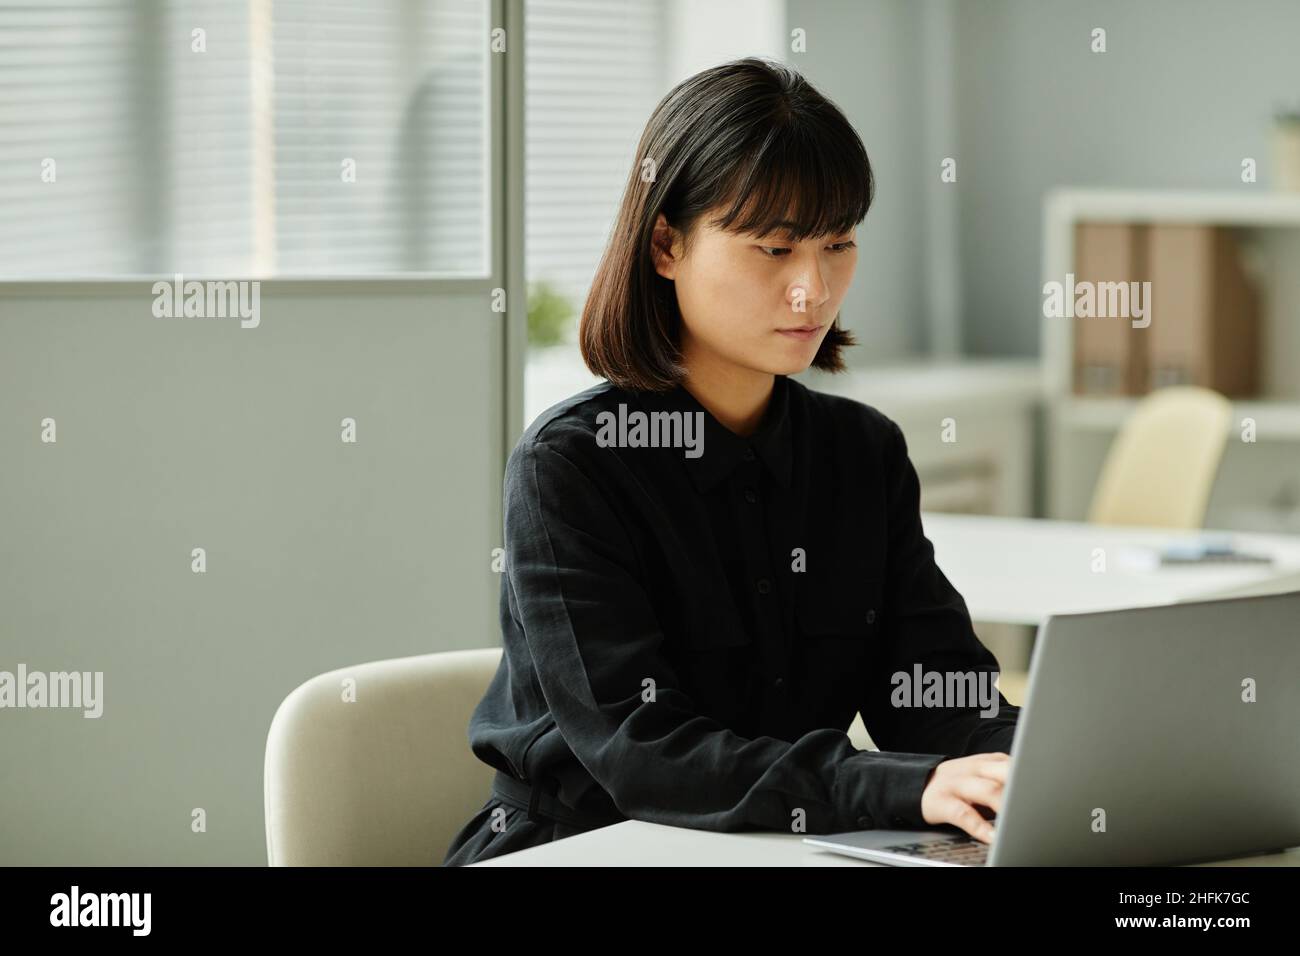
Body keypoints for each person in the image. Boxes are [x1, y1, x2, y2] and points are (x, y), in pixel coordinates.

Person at [442, 56, 1018, 867]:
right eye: (774, 249)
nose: (812, 290)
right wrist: (899, 788)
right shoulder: (570, 468)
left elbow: (931, 693)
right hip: (585, 848)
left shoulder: (862, 454)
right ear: (667, 244)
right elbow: (641, 751)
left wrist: (1031, 755)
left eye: (838, 244)